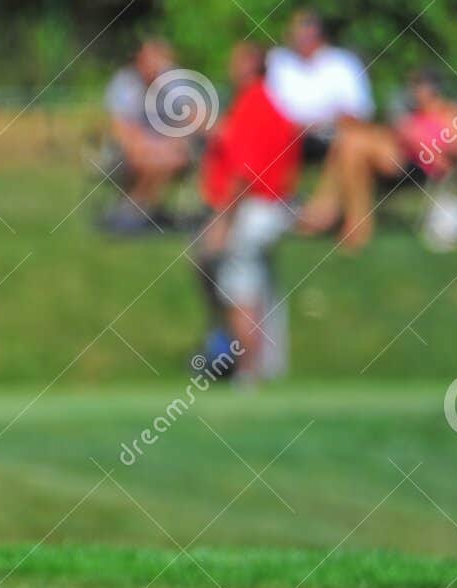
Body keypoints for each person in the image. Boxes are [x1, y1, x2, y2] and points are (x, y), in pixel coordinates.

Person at [194, 42, 305, 386]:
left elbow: (244, 174)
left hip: (252, 208)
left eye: (236, 60)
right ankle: (268, 365)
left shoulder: (252, 104)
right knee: (259, 289)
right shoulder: (268, 104)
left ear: (250, 66)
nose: (230, 67)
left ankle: (246, 372)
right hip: (273, 208)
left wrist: (223, 221)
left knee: (239, 289)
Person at [298, 70, 457, 250]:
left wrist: (417, 138)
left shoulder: (452, 115)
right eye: (414, 87)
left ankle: (328, 215)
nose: (416, 92)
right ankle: (344, 221)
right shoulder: (413, 114)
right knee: (349, 144)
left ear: (434, 89)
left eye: (421, 87)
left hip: (420, 165)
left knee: (352, 144)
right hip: (396, 155)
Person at [102, 38, 193, 228]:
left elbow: (191, 120)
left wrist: (173, 144)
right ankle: (138, 210)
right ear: (140, 61)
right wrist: (156, 149)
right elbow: (124, 134)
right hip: (130, 149)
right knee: (152, 160)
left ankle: (134, 211)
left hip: (164, 149)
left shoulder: (174, 83)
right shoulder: (125, 84)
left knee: (170, 159)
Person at [264, 9, 373, 152]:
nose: (303, 33)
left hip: (335, 137)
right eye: (298, 26)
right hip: (287, 139)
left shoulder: (343, 62)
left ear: (319, 31)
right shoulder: (279, 62)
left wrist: (323, 125)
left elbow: (358, 112)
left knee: (355, 144)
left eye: (307, 25)